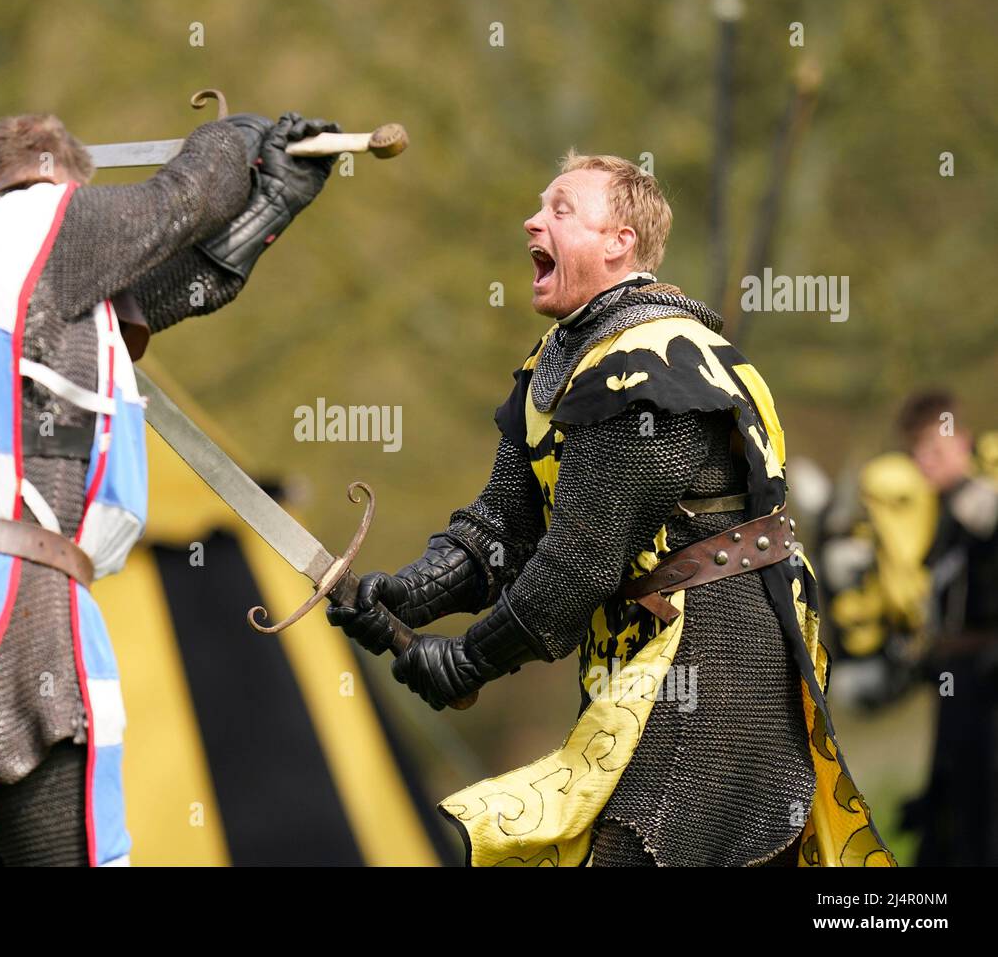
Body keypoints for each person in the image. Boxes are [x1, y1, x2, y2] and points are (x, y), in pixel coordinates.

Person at [328, 151, 895, 867]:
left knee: (633, 850)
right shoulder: (557, 363)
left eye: (561, 208)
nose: (534, 219)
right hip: (640, 667)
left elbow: (575, 566)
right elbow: (501, 527)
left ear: (618, 241)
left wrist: (468, 659)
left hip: (718, 662)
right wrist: (406, 594)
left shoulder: (654, 364)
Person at [0, 109, 337, 866]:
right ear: (51, 180)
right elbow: (183, 200)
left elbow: (153, 296)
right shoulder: (39, 221)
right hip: (5, 616)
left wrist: (272, 206)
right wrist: (241, 137)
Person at [892, 391, 998, 865]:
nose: (927, 462)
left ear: (964, 443)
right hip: (954, 679)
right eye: (918, 451)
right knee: (949, 804)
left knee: (982, 810)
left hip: (987, 683)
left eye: (938, 449)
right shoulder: (929, 514)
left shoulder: (980, 505)